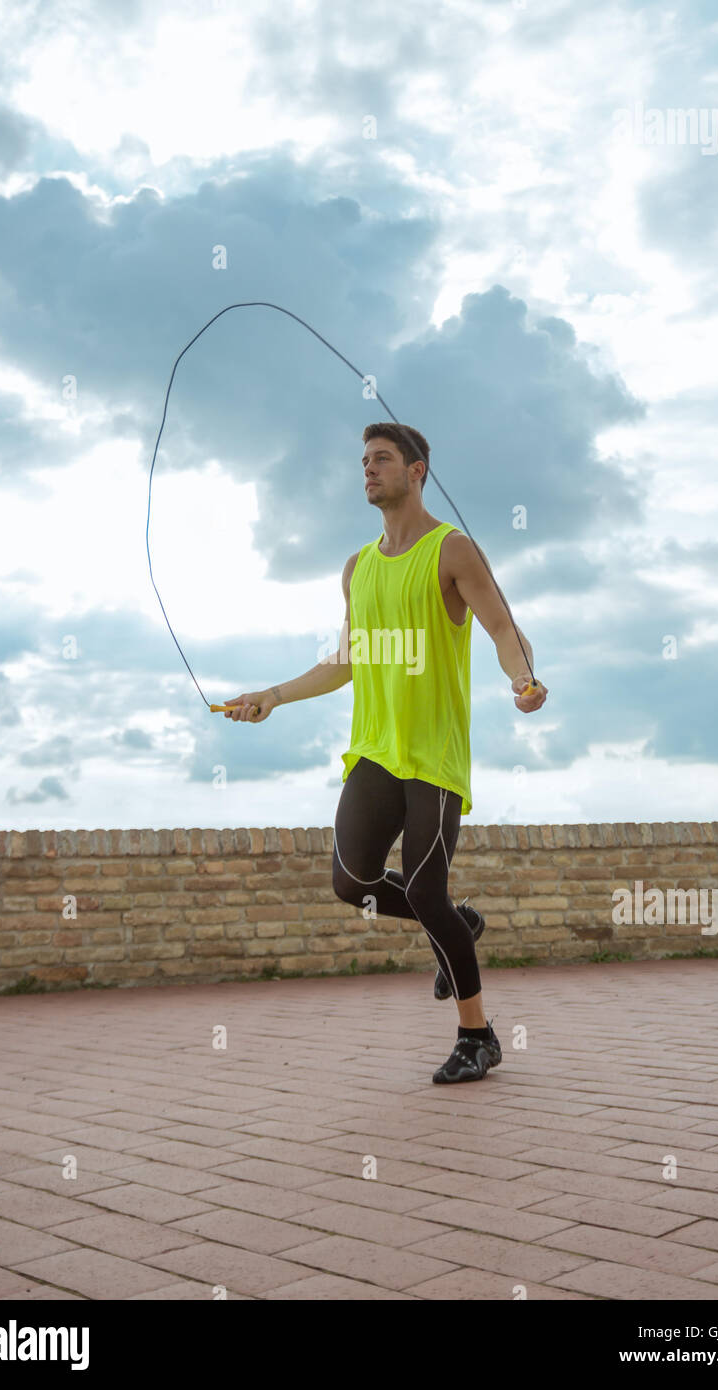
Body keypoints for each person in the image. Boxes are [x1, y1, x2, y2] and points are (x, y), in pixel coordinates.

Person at [223, 423, 548, 1082]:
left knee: (426, 890)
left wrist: (522, 680)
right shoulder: (357, 568)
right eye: (364, 460)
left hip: (432, 753)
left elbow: (503, 628)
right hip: (374, 753)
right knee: (352, 881)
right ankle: (459, 923)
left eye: (382, 460)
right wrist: (273, 695)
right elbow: (346, 660)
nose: (368, 470)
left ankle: (476, 1034)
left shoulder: (452, 550)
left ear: (417, 471)